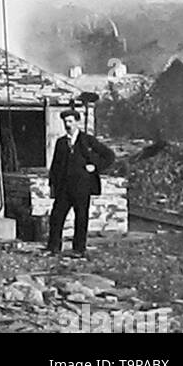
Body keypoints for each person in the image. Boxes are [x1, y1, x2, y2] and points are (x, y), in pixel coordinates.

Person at [46, 108, 114, 258]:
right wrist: (53, 185)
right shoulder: (61, 142)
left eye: (70, 121)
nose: (67, 124)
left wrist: (95, 167)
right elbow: (55, 166)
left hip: (82, 187)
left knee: (81, 217)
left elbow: (109, 156)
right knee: (56, 216)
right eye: (65, 122)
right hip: (64, 187)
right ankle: (53, 247)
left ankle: (79, 249)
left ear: (77, 122)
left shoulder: (88, 141)